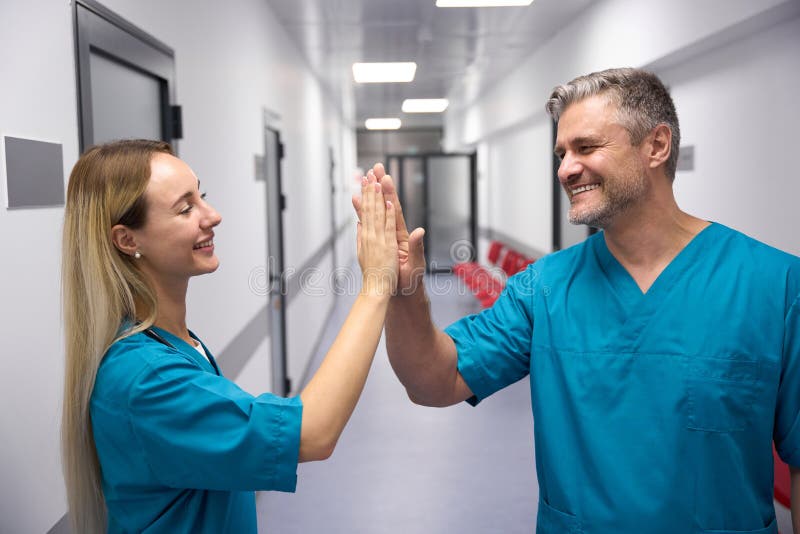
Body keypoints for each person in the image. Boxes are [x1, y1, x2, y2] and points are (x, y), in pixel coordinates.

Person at [358, 68, 800, 533]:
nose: (565, 169)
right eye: (562, 153)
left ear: (657, 146)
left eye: (585, 148)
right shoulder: (543, 289)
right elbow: (433, 381)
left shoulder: (775, 285)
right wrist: (404, 291)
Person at [61, 139, 397, 533]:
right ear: (128, 240)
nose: (213, 215)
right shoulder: (146, 378)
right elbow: (313, 434)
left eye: (201, 197)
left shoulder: (176, 343)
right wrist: (376, 285)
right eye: (185, 208)